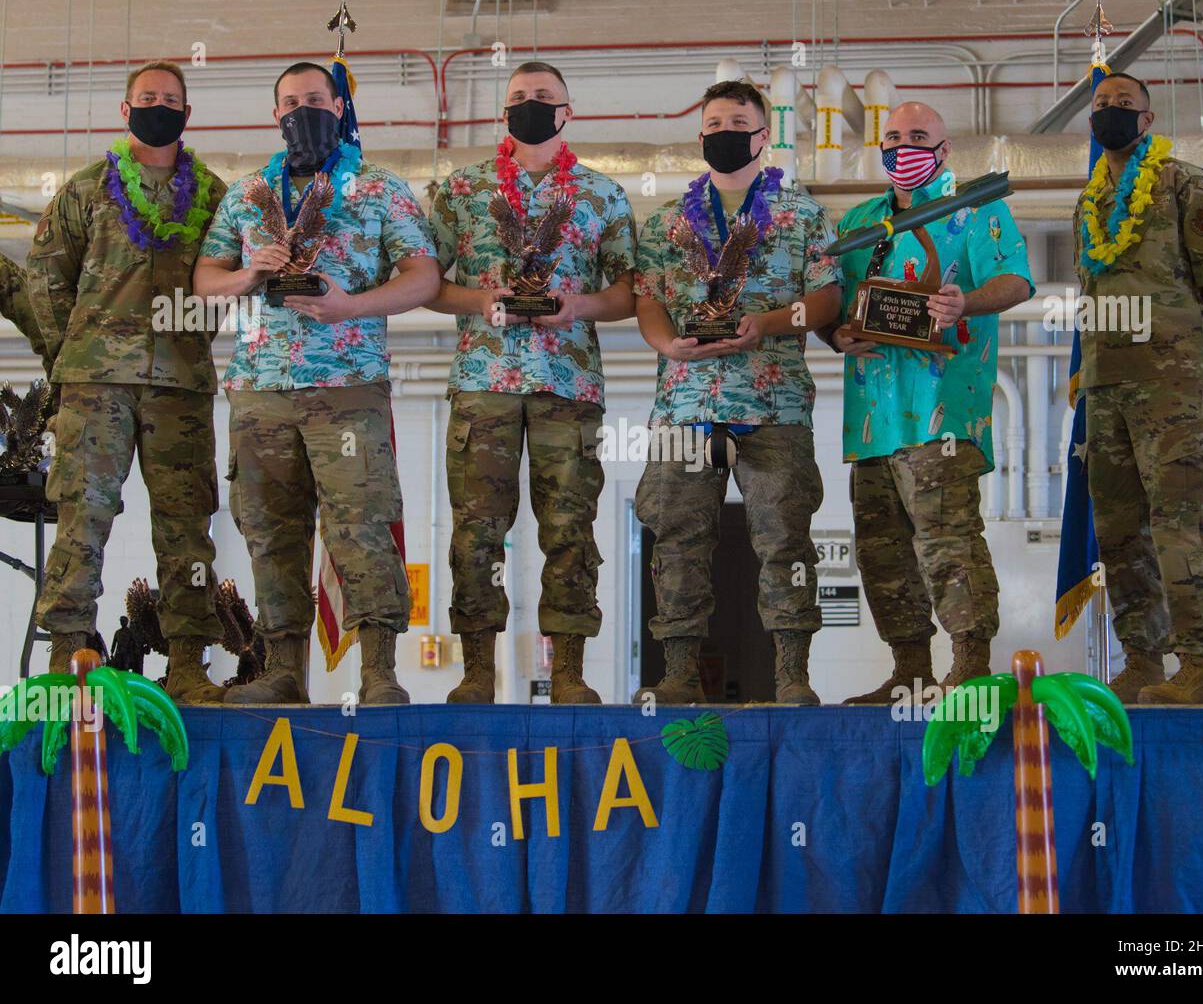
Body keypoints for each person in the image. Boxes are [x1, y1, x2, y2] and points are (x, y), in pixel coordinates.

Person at [194, 62, 441, 705]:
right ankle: (281, 671)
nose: (301, 109)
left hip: (347, 386)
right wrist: (249, 274)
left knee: (361, 522)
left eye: (314, 99)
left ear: (339, 103)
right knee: (269, 528)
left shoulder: (379, 187)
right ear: (274, 114)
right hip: (258, 388)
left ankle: (380, 671)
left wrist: (350, 306)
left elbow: (425, 277)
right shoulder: (249, 192)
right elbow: (204, 280)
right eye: (289, 101)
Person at [428, 61, 636, 704]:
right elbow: (425, 282)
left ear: (567, 111)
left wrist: (577, 306)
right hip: (483, 378)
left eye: (543, 98)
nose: (530, 105)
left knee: (570, 529)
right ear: (503, 110)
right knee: (476, 530)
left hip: (567, 382)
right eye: (518, 97)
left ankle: (569, 670)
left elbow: (631, 290)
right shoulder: (462, 189)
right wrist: (481, 300)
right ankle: (475, 672)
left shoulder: (602, 194)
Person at [632, 80, 842, 705]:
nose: (724, 130)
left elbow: (827, 297)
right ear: (700, 135)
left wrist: (768, 325)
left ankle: (792, 673)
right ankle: (676, 672)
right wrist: (667, 344)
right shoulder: (666, 221)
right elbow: (647, 299)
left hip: (773, 404)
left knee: (785, 537)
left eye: (738, 120)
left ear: (762, 134)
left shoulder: (801, 214)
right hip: (686, 404)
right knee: (677, 536)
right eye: (714, 121)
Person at [26, 60, 229, 702]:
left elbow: (226, 278)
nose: (158, 106)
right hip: (95, 384)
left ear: (187, 115)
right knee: (82, 519)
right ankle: (65, 654)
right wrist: (74, 349)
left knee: (186, 524)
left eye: (170, 99)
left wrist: (193, 335)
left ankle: (191, 663)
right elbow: (43, 278)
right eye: (147, 98)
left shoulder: (214, 195)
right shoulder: (86, 190)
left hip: (181, 385)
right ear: (125, 110)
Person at [824, 101, 1033, 704]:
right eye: (892, 137)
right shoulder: (862, 220)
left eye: (918, 136)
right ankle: (910, 671)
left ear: (943, 150)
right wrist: (835, 334)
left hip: (943, 408)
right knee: (882, 549)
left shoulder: (975, 208)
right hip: (872, 419)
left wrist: (964, 302)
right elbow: (835, 304)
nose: (903, 146)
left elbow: (1016, 280)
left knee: (948, 541)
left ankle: (969, 664)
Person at [1073, 72, 1203, 705]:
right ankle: (1143, 661)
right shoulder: (1090, 200)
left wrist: (1201, 358)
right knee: (1119, 530)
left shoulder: (1182, 183)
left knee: (1177, 521)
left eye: (1123, 105)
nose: (1109, 113)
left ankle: (1198, 667)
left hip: (1170, 385)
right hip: (1107, 388)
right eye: (1100, 105)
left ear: (1147, 121)